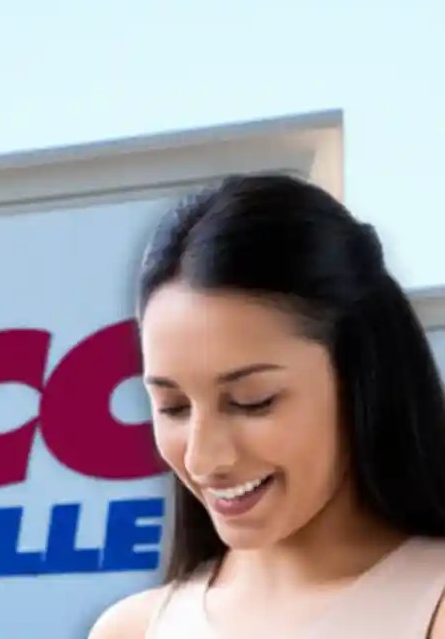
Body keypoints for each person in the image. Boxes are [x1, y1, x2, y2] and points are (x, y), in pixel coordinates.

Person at [89, 173, 445, 638]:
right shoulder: (130, 630)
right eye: (173, 406)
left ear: (360, 374)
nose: (203, 459)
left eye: (251, 401)